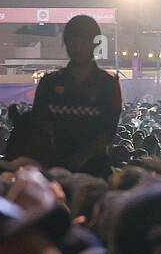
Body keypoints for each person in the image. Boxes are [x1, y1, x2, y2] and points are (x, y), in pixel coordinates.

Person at [32, 15, 121, 177]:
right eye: (73, 43)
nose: (78, 48)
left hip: (96, 171)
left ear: (95, 44)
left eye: (84, 43)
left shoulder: (108, 84)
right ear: (66, 45)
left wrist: (84, 156)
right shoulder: (49, 83)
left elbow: (109, 130)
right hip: (54, 169)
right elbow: (39, 125)